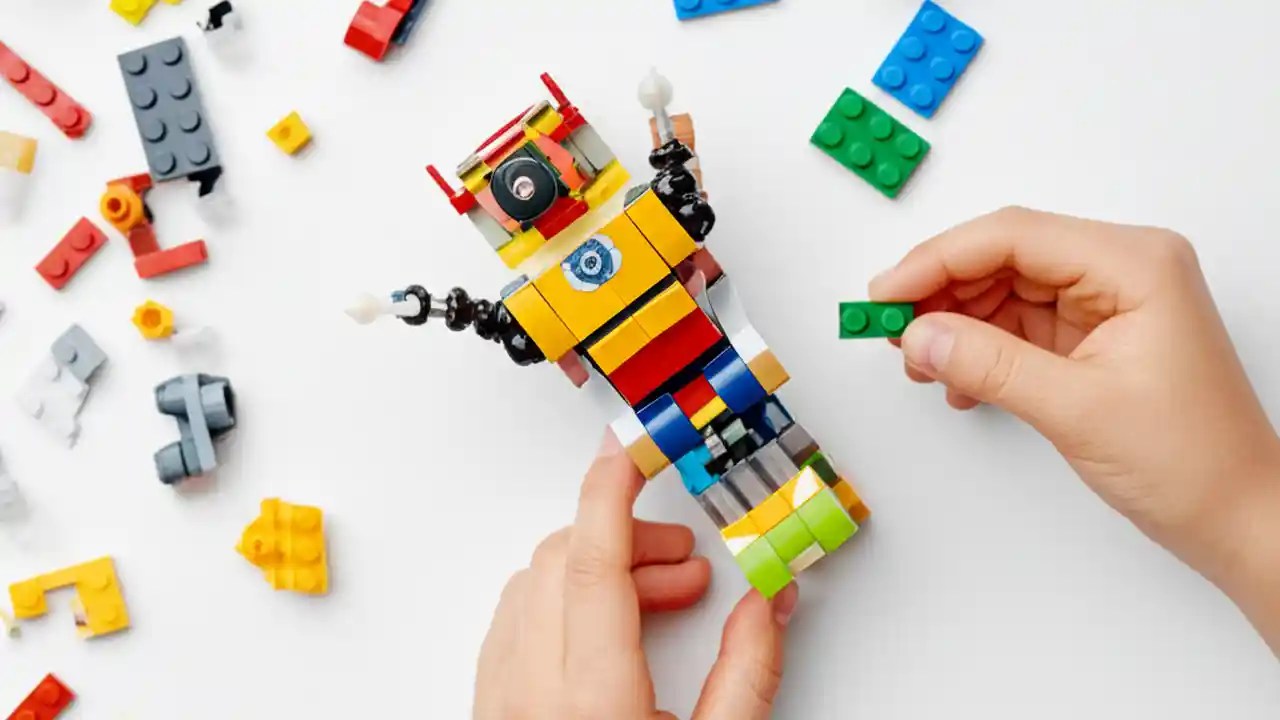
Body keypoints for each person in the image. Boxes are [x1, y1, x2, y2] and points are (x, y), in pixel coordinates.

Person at [473, 207, 1280, 719]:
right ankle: (781, 526)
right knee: (721, 481)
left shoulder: (640, 233)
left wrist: (1248, 509)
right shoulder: (553, 298)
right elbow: (573, 353)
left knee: (773, 444)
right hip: (668, 407)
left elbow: (706, 271)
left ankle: (809, 512)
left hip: (720, 376)